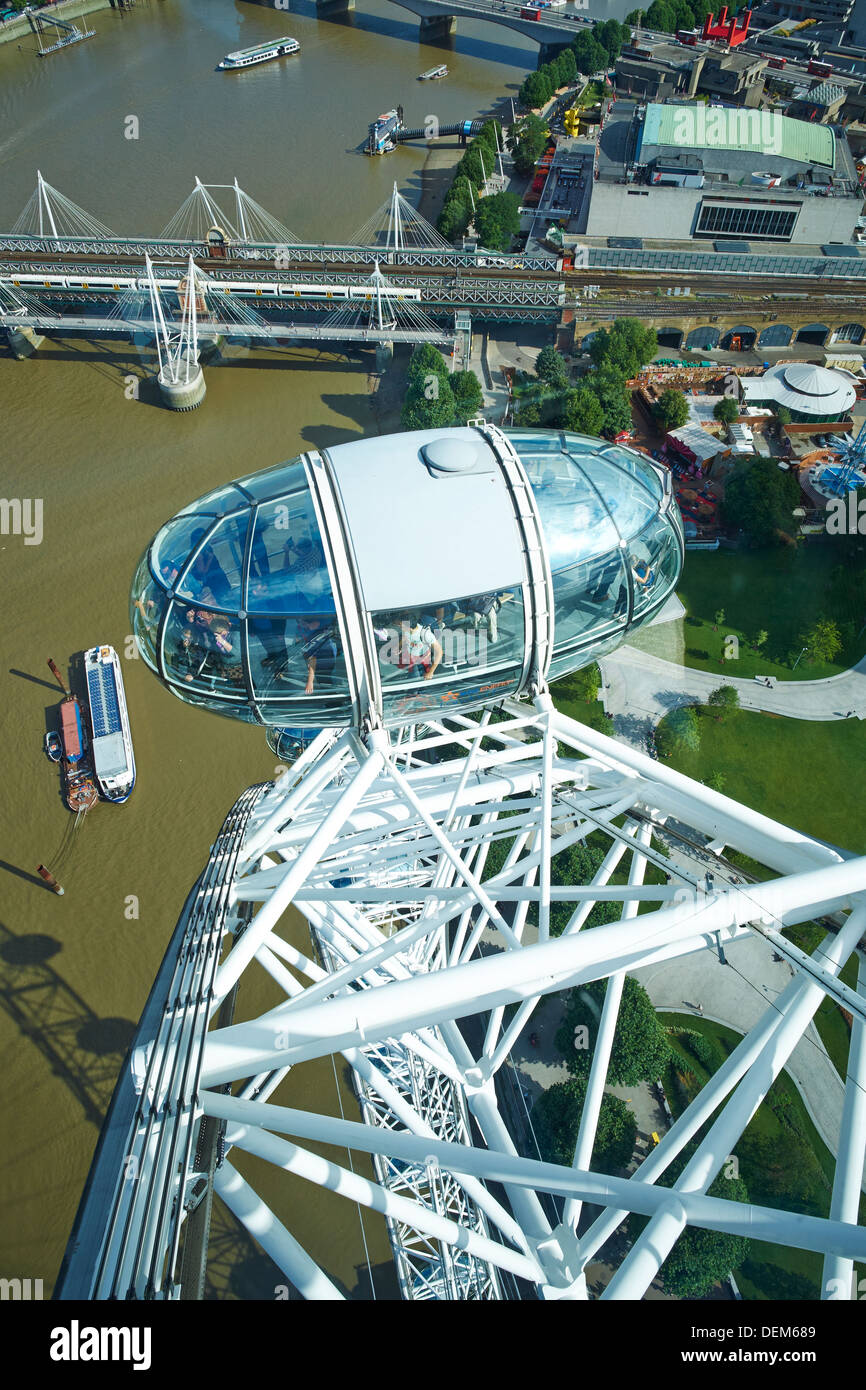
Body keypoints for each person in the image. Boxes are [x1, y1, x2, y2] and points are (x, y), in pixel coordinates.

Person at [396, 614, 442, 681]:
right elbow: (404, 637)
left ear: (409, 627)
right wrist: (399, 647)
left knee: (419, 679)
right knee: (412, 676)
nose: (399, 626)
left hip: (423, 659)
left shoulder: (425, 634)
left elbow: (439, 652)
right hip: (411, 657)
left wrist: (431, 672)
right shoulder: (406, 630)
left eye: (401, 625)